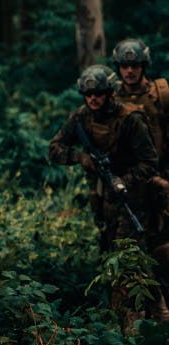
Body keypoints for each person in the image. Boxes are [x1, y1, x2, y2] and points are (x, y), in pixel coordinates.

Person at [49, 65, 169, 323]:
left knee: (128, 258)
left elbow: (149, 163)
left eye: (99, 93)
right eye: (88, 94)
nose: (93, 98)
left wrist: (123, 181)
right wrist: (80, 157)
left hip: (134, 199)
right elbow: (55, 148)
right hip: (102, 201)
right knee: (112, 254)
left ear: (109, 92)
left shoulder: (130, 118)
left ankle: (137, 321)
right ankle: (152, 308)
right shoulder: (81, 118)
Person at [111, 38, 169, 321]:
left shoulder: (160, 94)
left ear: (143, 65)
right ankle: (129, 317)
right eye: (124, 65)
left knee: (162, 247)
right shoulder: (111, 98)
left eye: (134, 65)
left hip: (160, 182)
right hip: (125, 186)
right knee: (122, 248)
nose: (129, 71)